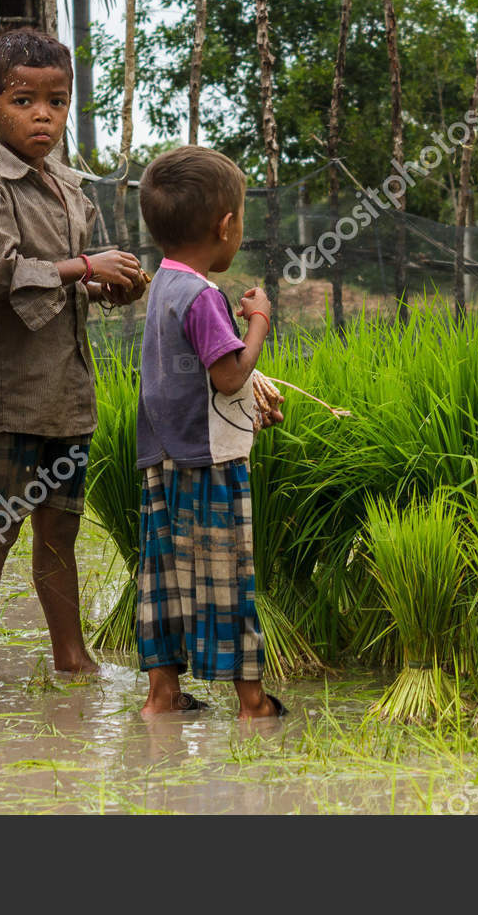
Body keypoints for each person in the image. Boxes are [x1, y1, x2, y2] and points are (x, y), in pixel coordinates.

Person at [0, 28, 147, 685]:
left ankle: (72, 653)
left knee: (59, 530)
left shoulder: (67, 186)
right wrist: (87, 264)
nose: (43, 114)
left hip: (68, 391)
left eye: (57, 101)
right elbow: (0, 273)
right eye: (23, 100)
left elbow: (64, 281)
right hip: (11, 394)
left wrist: (104, 284)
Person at [134, 145, 286, 718]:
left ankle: (162, 695)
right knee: (227, 578)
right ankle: (252, 704)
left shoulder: (163, 286)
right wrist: (260, 321)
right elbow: (227, 377)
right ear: (226, 226)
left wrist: (253, 390)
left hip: (160, 459)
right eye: (240, 219)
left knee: (164, 578)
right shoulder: (202, 296)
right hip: (211, 463)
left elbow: (192, 372)